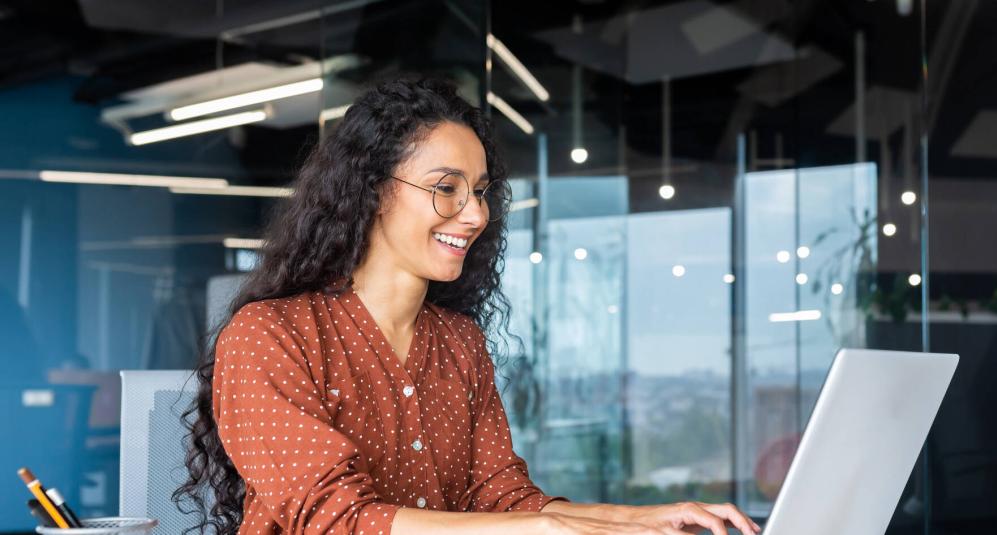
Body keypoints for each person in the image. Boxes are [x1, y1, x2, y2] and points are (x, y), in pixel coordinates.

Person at [176, 76, 760, 535]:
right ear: (374, 190)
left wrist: (639, 519)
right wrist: (548, 528)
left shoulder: (458, 342)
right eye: (446, 188)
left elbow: (503, 498)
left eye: (479, 191)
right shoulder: (271, 335)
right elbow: (333, 519)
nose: (476, 214)